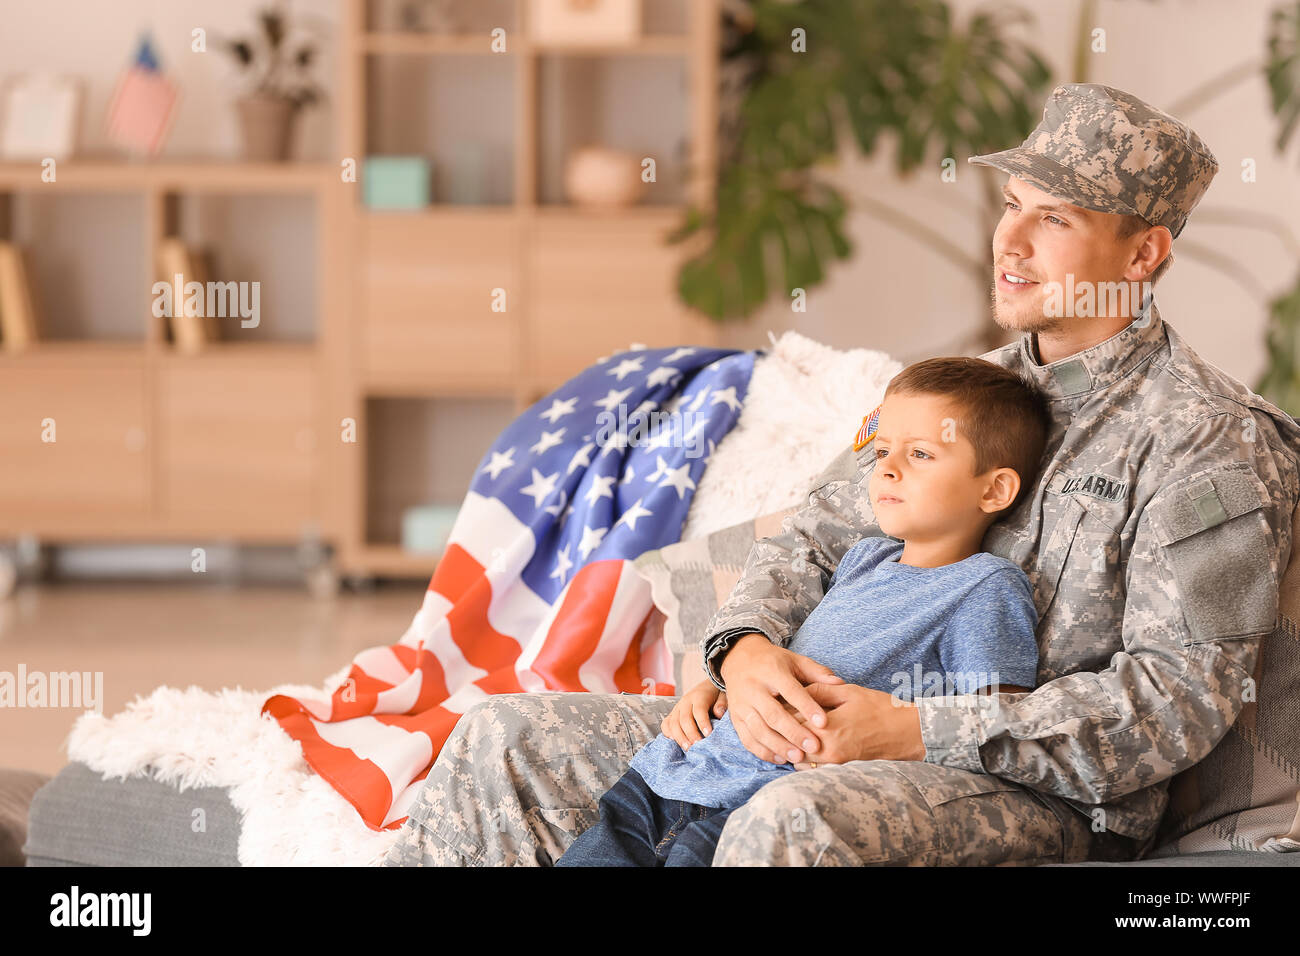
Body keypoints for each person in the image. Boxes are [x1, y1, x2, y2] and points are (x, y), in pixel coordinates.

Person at [382, 83, 1300, 867]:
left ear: (1143, 255)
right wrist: (741, 651)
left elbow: (1174, 703)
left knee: (790, 825)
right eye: (1010, 204)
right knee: (506, 737)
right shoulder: (960, 388)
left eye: (1053, 219)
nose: (1008, 242)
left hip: (1033, 797)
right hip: (805, 733)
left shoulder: (1206, 442)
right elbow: (812, 540)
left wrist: (913, 730)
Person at [555, 357, 1049, 866]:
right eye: (882, 451)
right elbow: (797, 653)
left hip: (763, 799)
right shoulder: (863, 558)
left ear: (994, 489)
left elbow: (990, 721)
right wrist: (721, 686)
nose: (887, 467)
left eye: (920, 453)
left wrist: (887, 738)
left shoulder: (986, 586)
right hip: (673, 774)